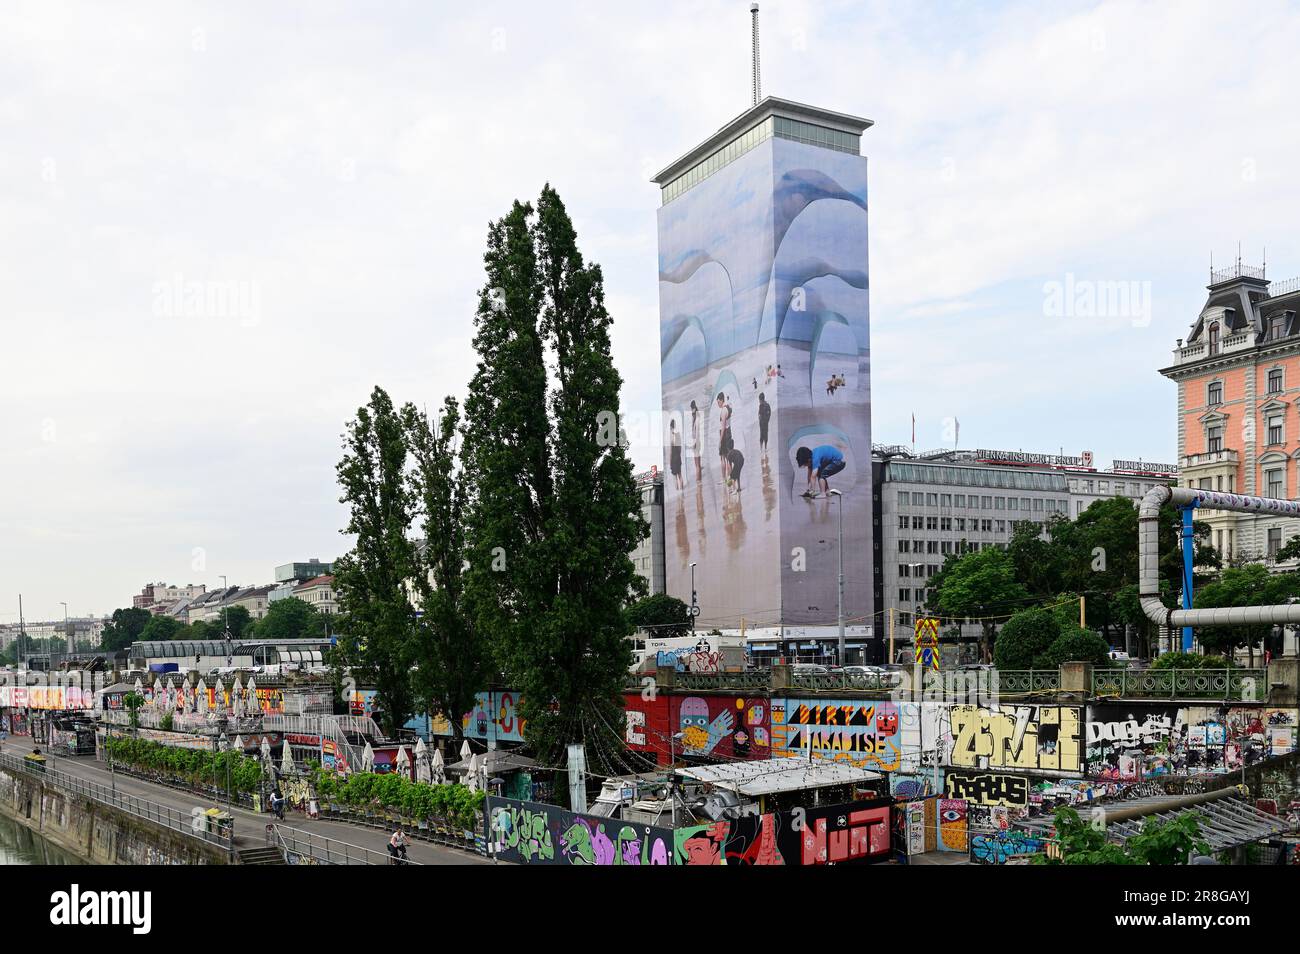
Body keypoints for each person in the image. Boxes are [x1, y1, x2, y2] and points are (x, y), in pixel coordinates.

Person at [668, 418, 684, 490]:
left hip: (674, 459)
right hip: (678, 457)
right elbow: (680, 448)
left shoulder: (671, 437)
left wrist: (669, 462)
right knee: (680, 475)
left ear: (671, 427)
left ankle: (678, 493)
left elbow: (671, 452)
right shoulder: (678, 436)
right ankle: (682, 491)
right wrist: (679, 455)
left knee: (675, 477)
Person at [757, 393, 770, 458]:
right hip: (765, 423)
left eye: (759, 399)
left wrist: (760, 420)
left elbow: (759, 414)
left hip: (762, 423)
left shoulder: (761, 405)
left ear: (761, 399)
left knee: (762, 435)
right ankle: (765, 448)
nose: (759, 401)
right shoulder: (767, 405)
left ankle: (761, 449)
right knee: (766, 435)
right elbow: (769, 414)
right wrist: (767, 420)